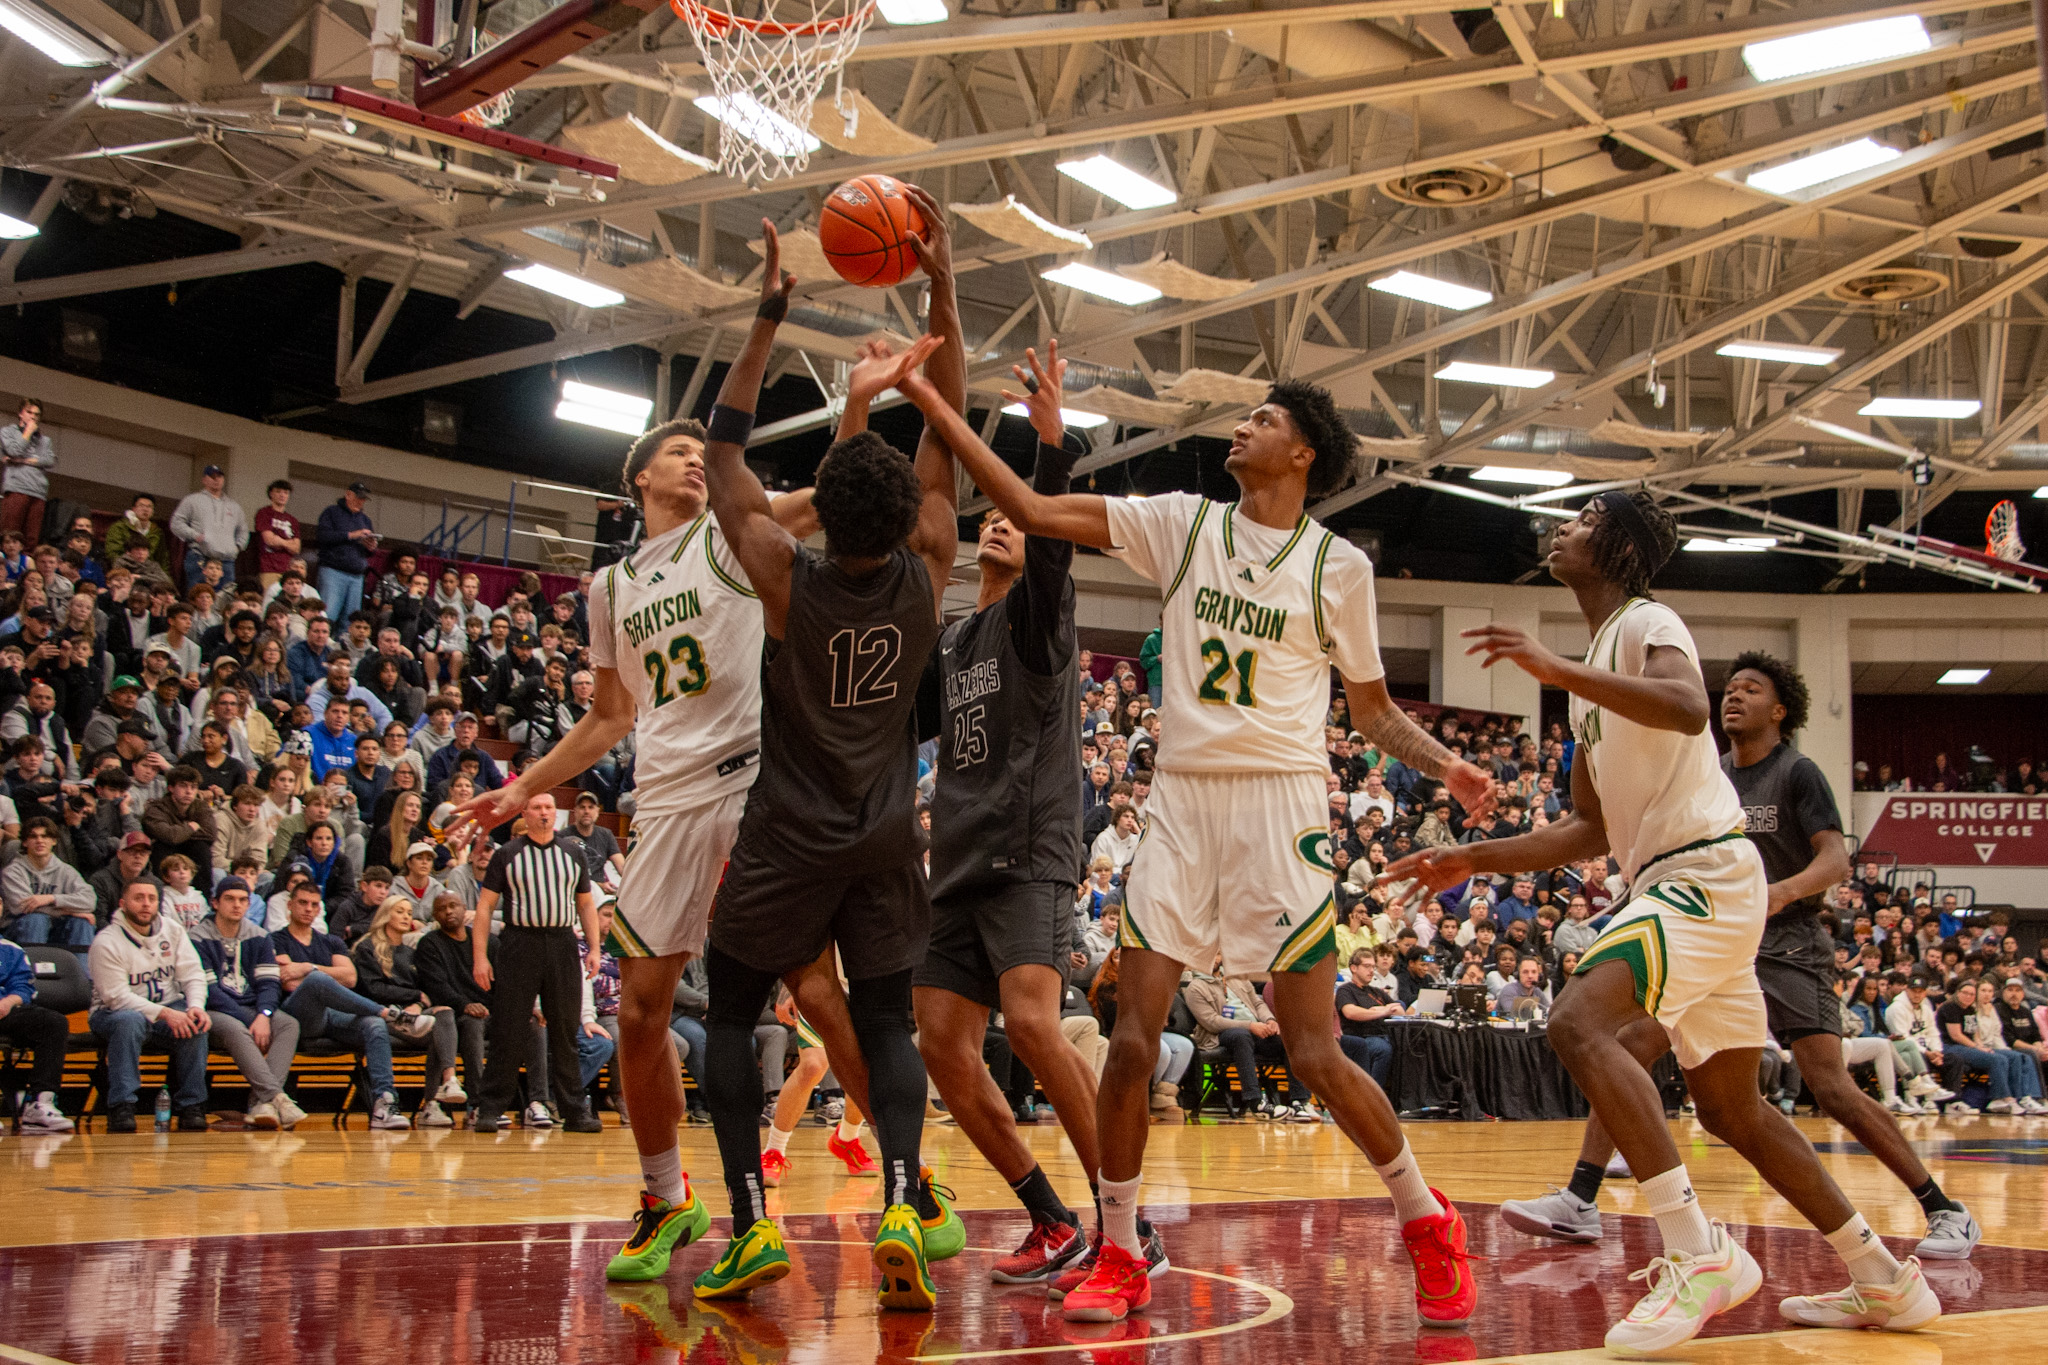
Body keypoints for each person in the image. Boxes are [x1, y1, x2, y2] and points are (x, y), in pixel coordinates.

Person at [898, 341, 1493, 1326]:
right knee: (1129, 1043)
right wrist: (982, 420)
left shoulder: (1334, 568)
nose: (1243, 424)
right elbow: (1040, 513)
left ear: (1301, 453)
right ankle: (1122, 1249)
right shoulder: (1183, 526)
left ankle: (1426, 1218)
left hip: (1281, 810)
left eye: (1263, 417)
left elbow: (1374, 710)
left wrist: (1444, 764)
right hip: (1178, 806)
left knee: (1312, 1053)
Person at [1381, 492, 1939, 1349]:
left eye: (1583, 515)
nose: (1562, 522)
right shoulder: (1589, 689)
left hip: (1702, 872)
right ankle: (1884, 1276)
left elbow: (1685, 705)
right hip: (1677, 879)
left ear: (1618, 546)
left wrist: (1559, 668)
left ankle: (1696, 1251)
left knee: (1577, 1021)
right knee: (1733, 1110)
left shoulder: (1650, 620)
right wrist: (1474, 856)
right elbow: (1588, 829)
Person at [452, 346, 824, 1289]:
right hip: (663, 803)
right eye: (680, 450)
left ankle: (912, 1187)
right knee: (642, 1014)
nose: (699, 458)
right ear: (638, 478)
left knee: (813, 992)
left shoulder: (733, 530)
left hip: (750, 785)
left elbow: (828, 500)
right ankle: (668, 1197)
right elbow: (609, 715)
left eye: (706, 448)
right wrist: (515, 786)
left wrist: (864, 412)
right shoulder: (611, 588)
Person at [683, 217, 960, 1308]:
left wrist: (766, 316)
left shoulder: (782, 578)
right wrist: (942, 293)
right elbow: (949, 425)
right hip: (886, 835)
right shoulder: (929, 569)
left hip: (786, 835)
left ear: (823, 514)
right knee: (887, 1024)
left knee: (732, 1015)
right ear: (905, 520)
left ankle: (750, 1226)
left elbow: (722, 458)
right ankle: (901, 1196)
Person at [1499, 650, 1980, 1259]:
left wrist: (1778, 892)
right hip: (1721, 931)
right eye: (1729, 689)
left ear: (1780, 709)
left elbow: (1835, 859)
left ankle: (1944, 1208)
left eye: (1750, 690)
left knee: (1830, 1087)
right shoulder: (1713, 774)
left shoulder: (1797, 772)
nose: (1733, 697)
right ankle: (1581, 1197)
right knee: (1632, 1044)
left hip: (1791, 940)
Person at [910, 343, 1106, 1288]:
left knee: (1032, 1021)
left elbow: (1050, 534)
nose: (997, 528)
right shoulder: (950, 645)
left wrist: (1050, 453)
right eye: (988, 522)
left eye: (1011, 524)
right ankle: (1049, 1214)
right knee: (942, 1045)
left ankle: (1127, 1215)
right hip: (955, 858)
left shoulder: (1040, 617)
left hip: (1029, 847)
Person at [467, 792, 603, 1135]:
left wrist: (595, 949)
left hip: (561, 943)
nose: (543, 813)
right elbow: (484, 908)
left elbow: (586, 905)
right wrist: (481, 957)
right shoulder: (508, 854)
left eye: (548, 808)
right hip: (519, 943)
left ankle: (574, 1110)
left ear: (555, 815)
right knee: (508, 1029)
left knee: (565, 1030)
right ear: (524, 813)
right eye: (537, 808)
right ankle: (490, 1108)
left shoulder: (573, 853)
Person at [271, 879, 418, 1129]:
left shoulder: (331, 941)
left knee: (373, 1025)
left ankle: (384, 1102)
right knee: (317, 981)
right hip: (297, 1017)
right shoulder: (275, 939)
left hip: (333, 1016)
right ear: (290, 905)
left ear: (320, 910)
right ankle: (387, 1012)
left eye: (314, 904)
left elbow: (350, 978)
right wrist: (322, 975)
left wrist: (307, 967)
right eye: (302, 903)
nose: (308, 908)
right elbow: (290, 984)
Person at [88, 879, 212, 1132]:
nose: (146, 904)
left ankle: (191, 1105)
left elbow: (193, 974)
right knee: (130, 1021)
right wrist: (166, 1014)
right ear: (123, 904)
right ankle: (121, 1105)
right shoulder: (106, 941)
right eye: (139, 898)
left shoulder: (173, 930)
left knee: (196, 1024)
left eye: (151, 898)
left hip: (165, 1006)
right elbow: (116, 997)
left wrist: (196, 1006)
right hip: (112, 1014)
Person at [191, 875, 306, 1130]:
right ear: (215, 903)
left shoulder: (259, 936)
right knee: (235, 1028)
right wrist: (252, 1018)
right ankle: (278, 1098)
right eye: (230, 899)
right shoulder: (197, 937)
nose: (237, 905)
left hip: (254, 1009)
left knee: (288, 1024)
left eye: (243, 900)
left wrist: (264, 1014)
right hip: (215, 1009)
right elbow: (209, 990)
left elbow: (269, 983)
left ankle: (260, 1104)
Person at [351, 896, 466, 1127]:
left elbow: (425, 991)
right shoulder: (366, 947)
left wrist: (420, 1005)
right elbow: (373, 989)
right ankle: (432, 1100)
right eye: (400, 911)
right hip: (381, 1018)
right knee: (437, 1031)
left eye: (409, 913)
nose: (406, 917)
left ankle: (442, 1090)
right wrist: (413, 998)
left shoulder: (410, 952)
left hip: (413, 1018)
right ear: (385, 914)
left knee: (443, 1014)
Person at [0, 933, 76, 1131]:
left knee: (52, 1023)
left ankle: (40, 1104)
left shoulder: (11, 949)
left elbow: (23, 987)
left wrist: (8, 1002)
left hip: (5, 1010)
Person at [2, 816, 97, 949]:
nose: (39, 841)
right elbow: (23, 907)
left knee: (82, 922)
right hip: (20, 932)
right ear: (24, 842)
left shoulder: (66, 871)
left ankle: (81, 969)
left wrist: (51, 898)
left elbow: (90, 900)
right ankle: (33, 968)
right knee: (36, 919)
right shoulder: (13, 872)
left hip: (56, 931)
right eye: (33, 837)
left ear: (54, 841)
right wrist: (69, 911)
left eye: (45, 836)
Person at [170, 465, 248, 590]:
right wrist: (194, 535)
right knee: (198, 596)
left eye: (219, 476)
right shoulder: (192, 500)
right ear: (204, 480)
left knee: (225, 601)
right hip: (199, 557)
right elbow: (176, 523)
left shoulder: (234, 506)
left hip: (227, 561)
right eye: (212, 477)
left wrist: (238, 547)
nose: (216, 480)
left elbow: (243, 531)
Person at [315, 482, 377, 622]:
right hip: (333, 570)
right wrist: (351, 535)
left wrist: (371, 547)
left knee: (351, 619)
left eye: (363, 499)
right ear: (348, 495)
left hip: (357, 575)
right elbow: (323, 536)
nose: (361, 502)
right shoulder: (331, 512)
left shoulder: (365, 520)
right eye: (358, 497)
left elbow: (369, 552)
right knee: (328, 614)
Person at [0, 398, 55, 546]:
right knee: (10, 534)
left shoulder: (45, 440)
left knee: (31, 538)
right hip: (17, 487)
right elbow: (14, 450)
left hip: (38, 491)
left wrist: (24, 460)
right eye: (29, 412)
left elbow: (50, 460)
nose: (33, 417)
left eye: (36, 414)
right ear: (20, 413)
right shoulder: (8, 432)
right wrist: (28, 432)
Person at [253, 479, 301, 591]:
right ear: (271, 493)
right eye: (278, 491)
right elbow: (269, 540)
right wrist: (287, 543)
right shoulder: (264, 513)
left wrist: (279, 540)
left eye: (285, 492)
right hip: (268, 568)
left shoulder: (292, 520)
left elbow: (296, 548)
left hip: (288, 570)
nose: (282, 495)